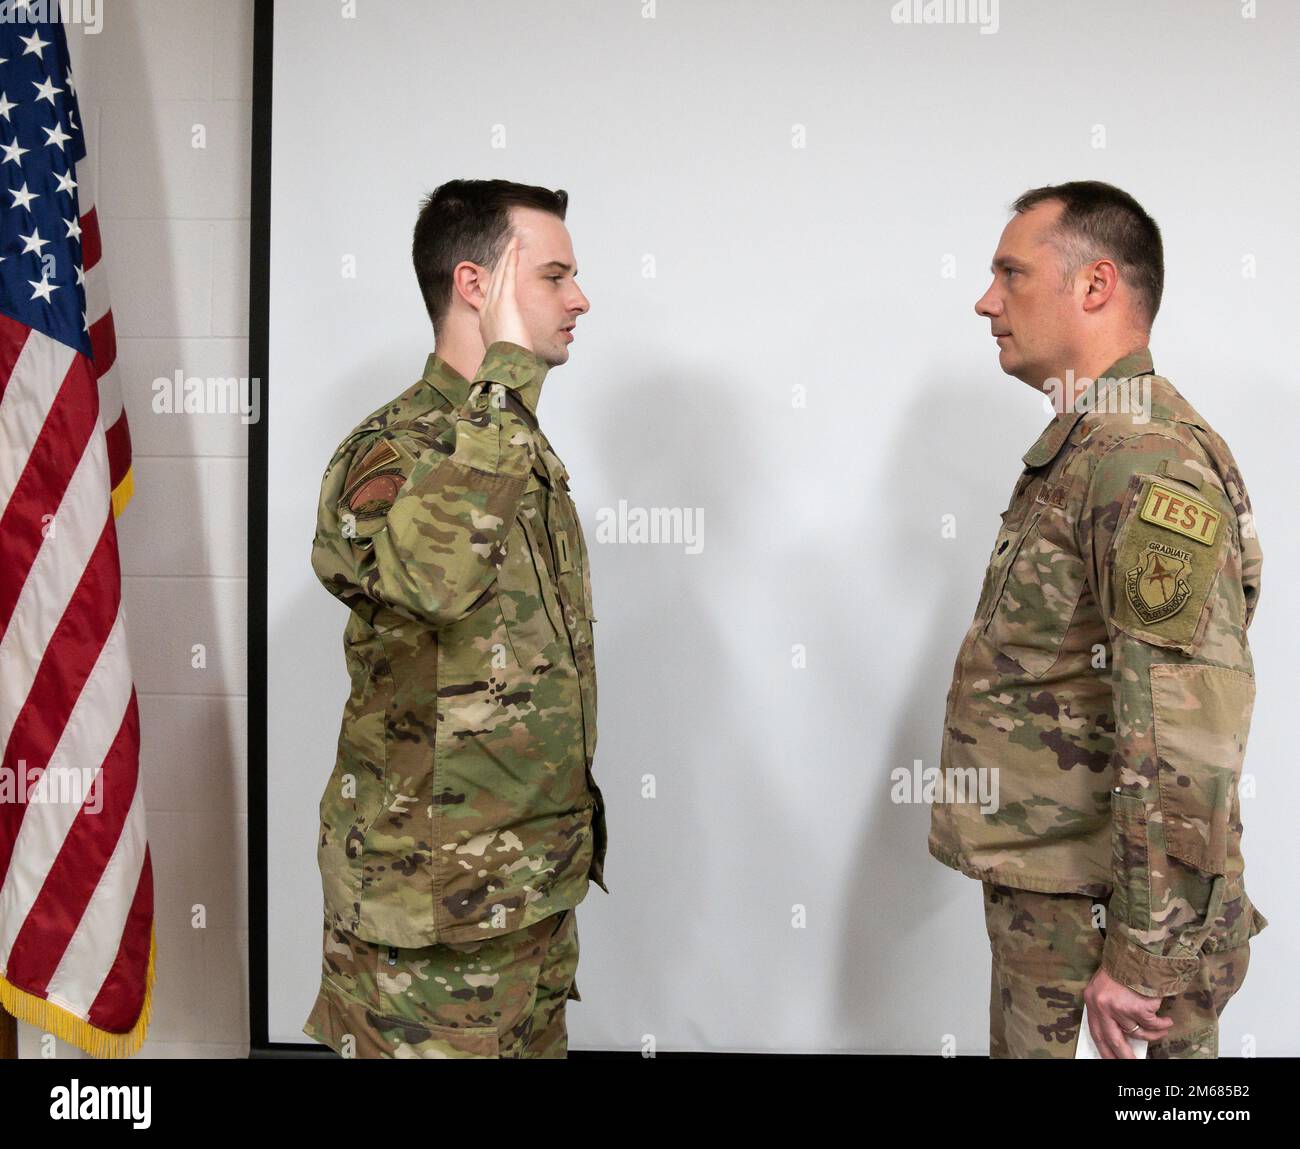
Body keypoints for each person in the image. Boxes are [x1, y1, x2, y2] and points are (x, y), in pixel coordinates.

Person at [929, 181, 1265, 1059]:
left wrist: (1145, 958)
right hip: (1068, 903)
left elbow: (1187, 728)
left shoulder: (1140, 457)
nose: (986, 300)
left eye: (1010, 272)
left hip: (1107, 921)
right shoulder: (1092, 445)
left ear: (1095, 285)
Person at [303, 179, 606, 1058]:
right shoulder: (392, 450)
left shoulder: (515, 448)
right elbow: (430, 582)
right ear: (479, 285)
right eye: (554, 275)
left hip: (528, 900)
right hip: (426, 925)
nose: (581, 297)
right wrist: (506, 381)